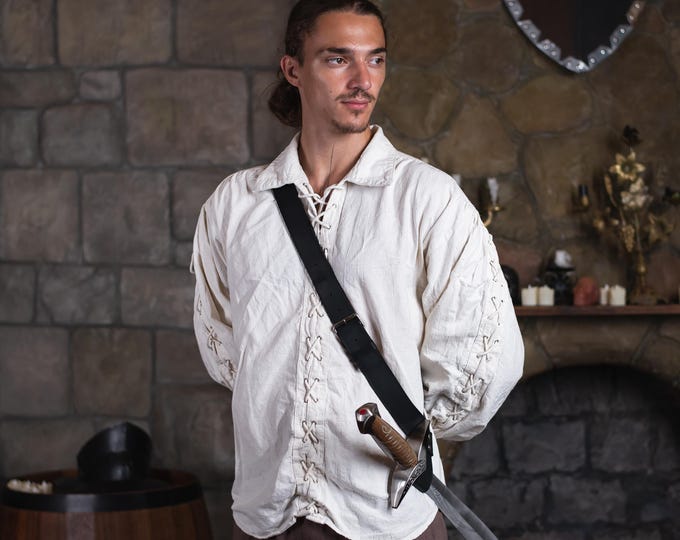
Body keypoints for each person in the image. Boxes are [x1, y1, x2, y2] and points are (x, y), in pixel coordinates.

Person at [191, 1, 524, 538]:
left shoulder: (427, 199)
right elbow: (229, 349)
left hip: (385, 514)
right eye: (337, 59)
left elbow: (482, 356)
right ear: (293, 69)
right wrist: (283, 400)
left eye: (376, 59)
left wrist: (409, 427)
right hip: (268, 512)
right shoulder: (235, 205)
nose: (362, 80)